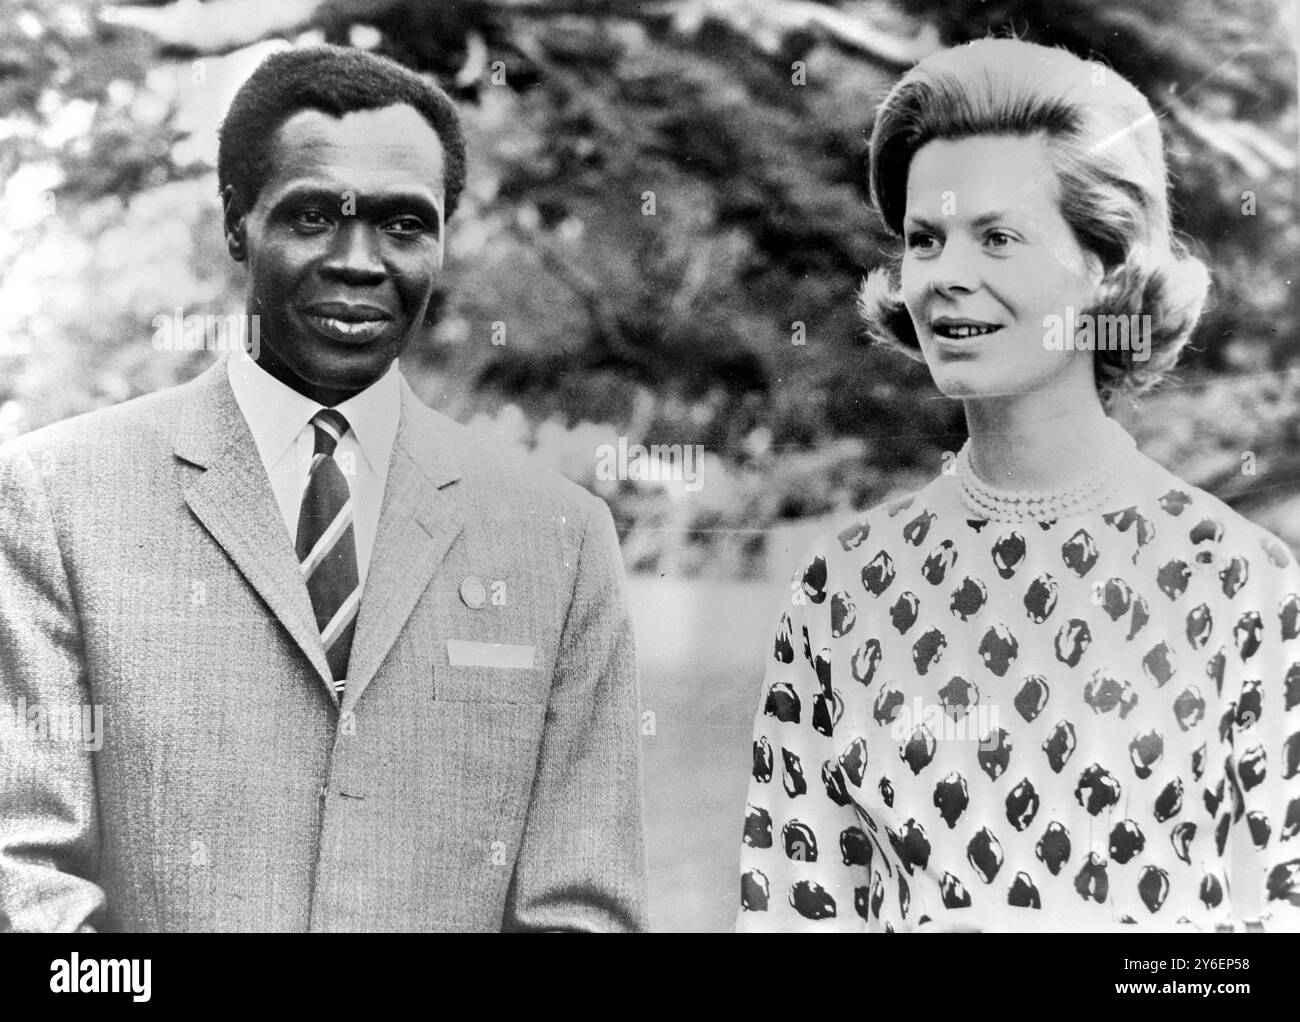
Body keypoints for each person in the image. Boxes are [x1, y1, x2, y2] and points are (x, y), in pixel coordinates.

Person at [0, 45, 647, 932]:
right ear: (238, 222)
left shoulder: (560, 539)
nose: (358, 260)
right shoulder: (57, 498)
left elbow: (583, 906)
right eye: (312, 216)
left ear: (446, 237)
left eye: (404, 225)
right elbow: (28, 878)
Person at [736, 38, 1300, 932]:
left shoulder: (1242, 585)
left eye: (998, 236)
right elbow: (793, 912)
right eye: (927, 239)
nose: (948, 275)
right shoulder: (843, 590)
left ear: (1106, 268)